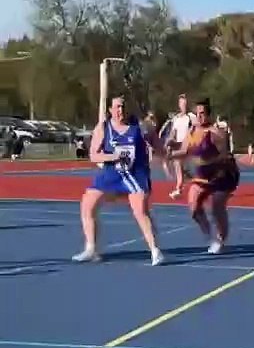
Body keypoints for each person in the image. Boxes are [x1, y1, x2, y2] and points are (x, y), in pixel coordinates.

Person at [73, 95, 165, 266]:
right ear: (110, 110)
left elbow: (157, 144)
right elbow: (94, 155)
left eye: (122, 106)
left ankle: (155, 250)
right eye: (116, 107)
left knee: (140, 211)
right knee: (87, 204)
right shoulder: (103, 128)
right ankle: (91, 248)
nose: (120, 110)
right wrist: (113, 156)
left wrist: (166, 154)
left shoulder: (140, 127)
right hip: (111, 173)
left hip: (135, 174)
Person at [169, 99, 240, 254]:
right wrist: (168, 152)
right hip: (204, 175)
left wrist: (204, 158)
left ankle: (221, 240)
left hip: (223, 174)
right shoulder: (192, 132)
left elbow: (224, 157)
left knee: (216, 207)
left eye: (202, 114)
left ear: (209, 115)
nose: (199, 117)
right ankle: (210, 236)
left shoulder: (216, 133)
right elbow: (184, 150)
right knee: (193, 207)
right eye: (197, 113)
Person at [167, 94, 197, 199]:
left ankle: (179, 187)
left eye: (185, 103)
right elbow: (173, 132)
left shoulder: (191, 116)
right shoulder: (176, 118)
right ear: (179, 104)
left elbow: (196, 127)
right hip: (178, 143)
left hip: (188, 144)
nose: (183, 105)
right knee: (177, 164)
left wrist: (190, 136)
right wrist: (170, 141)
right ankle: (185, 180)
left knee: (176, 160)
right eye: (181, 103)